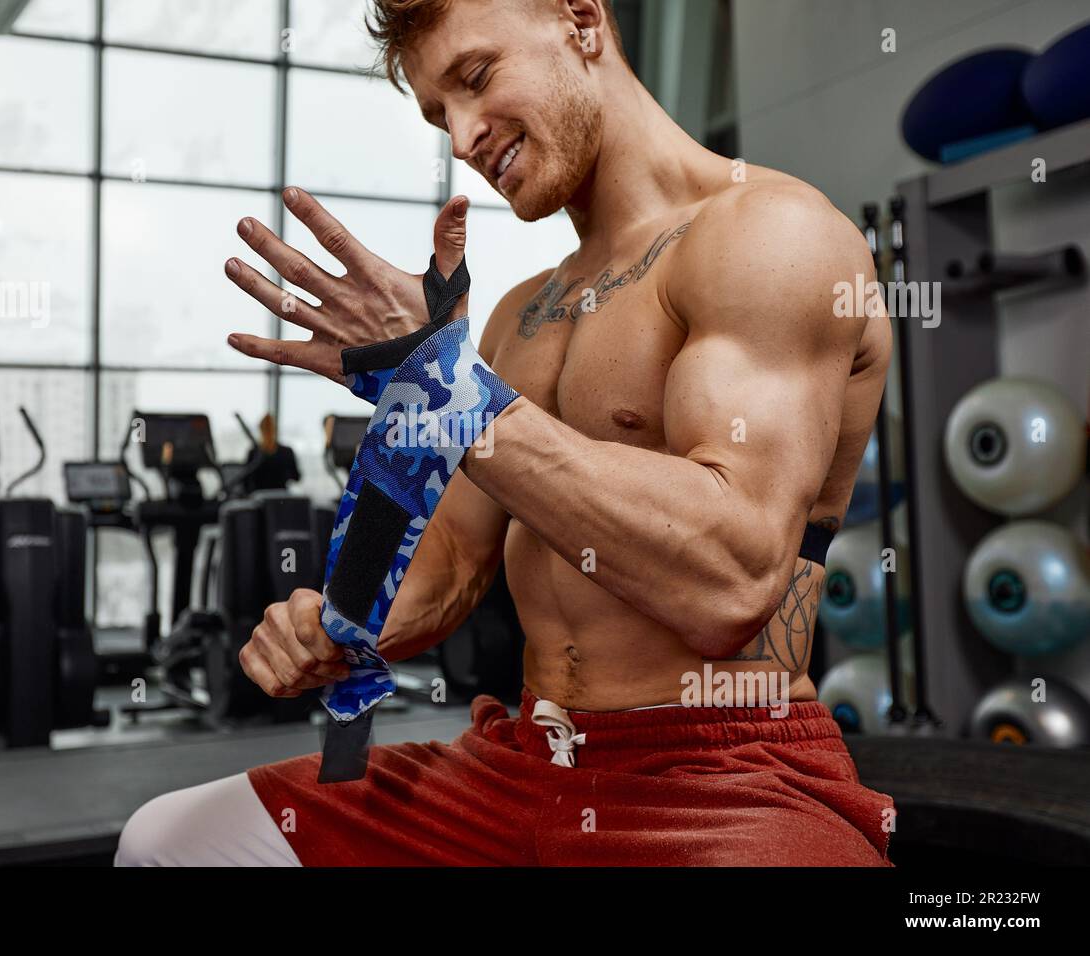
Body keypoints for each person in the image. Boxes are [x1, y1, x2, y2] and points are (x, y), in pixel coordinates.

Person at [117, 0, 894, 866]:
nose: (462, 137)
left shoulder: (770, 235)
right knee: (169, 841)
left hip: (723, 776)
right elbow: (450, 557)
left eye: (476, 79)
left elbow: (732, 575)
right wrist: (342, 623)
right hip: (521, 761)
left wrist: (445, 386)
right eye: (437, 113)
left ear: (583, 21)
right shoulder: (519, 319)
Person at [241, 413, 300, 493]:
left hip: (265, 498)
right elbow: (296, 477)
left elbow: (246, 483)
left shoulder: (254, 453)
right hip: (279, 498)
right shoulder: (286, 452)